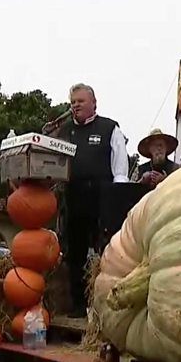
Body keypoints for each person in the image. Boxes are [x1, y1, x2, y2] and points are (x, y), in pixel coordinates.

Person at [46, 83, 130, 317]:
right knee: (75, 254)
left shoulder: (109, 128)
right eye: (72, 102)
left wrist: (117, 200)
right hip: (73, 198)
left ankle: (106, 305)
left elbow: (120, 168)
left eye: (80, 101)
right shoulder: (64, 132)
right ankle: (78, 307)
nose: (75, 106)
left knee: (106, 251)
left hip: (102, 197)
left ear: (94, 103)